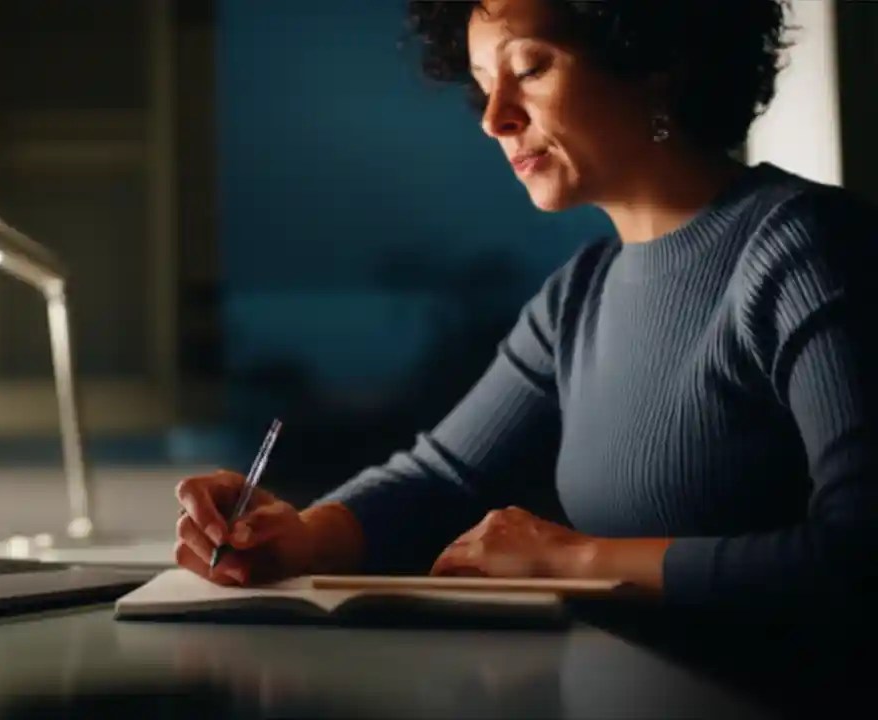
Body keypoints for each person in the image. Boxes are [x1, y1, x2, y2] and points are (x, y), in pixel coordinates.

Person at [175, 0, 877, 612]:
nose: (493, 119)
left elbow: (858, 552)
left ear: (655, 60)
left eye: (531, 68)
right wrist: (299, 535)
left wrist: (573, 560)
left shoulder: (805, 248)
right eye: (485, 86)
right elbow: (442, 478)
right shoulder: (579, 294)